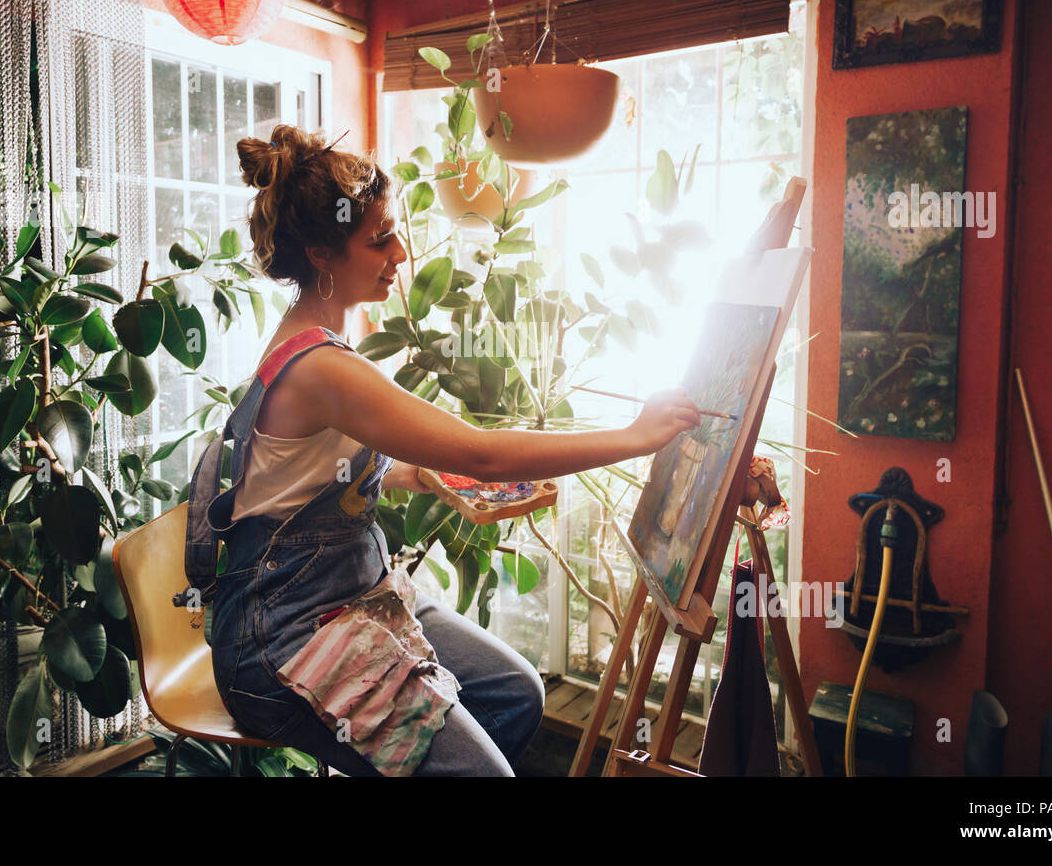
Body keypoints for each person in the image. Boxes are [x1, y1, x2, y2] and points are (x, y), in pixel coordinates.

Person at [206, 124, 701, 776]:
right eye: (379, 238)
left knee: (515, 694)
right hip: (280, 640)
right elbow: (485, 454)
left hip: (348, 600)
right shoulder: (322, 368)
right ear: (322, 254)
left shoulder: (319, 345)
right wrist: (636, 438)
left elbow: (319, 470)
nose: (401, 253)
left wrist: (421, 475)